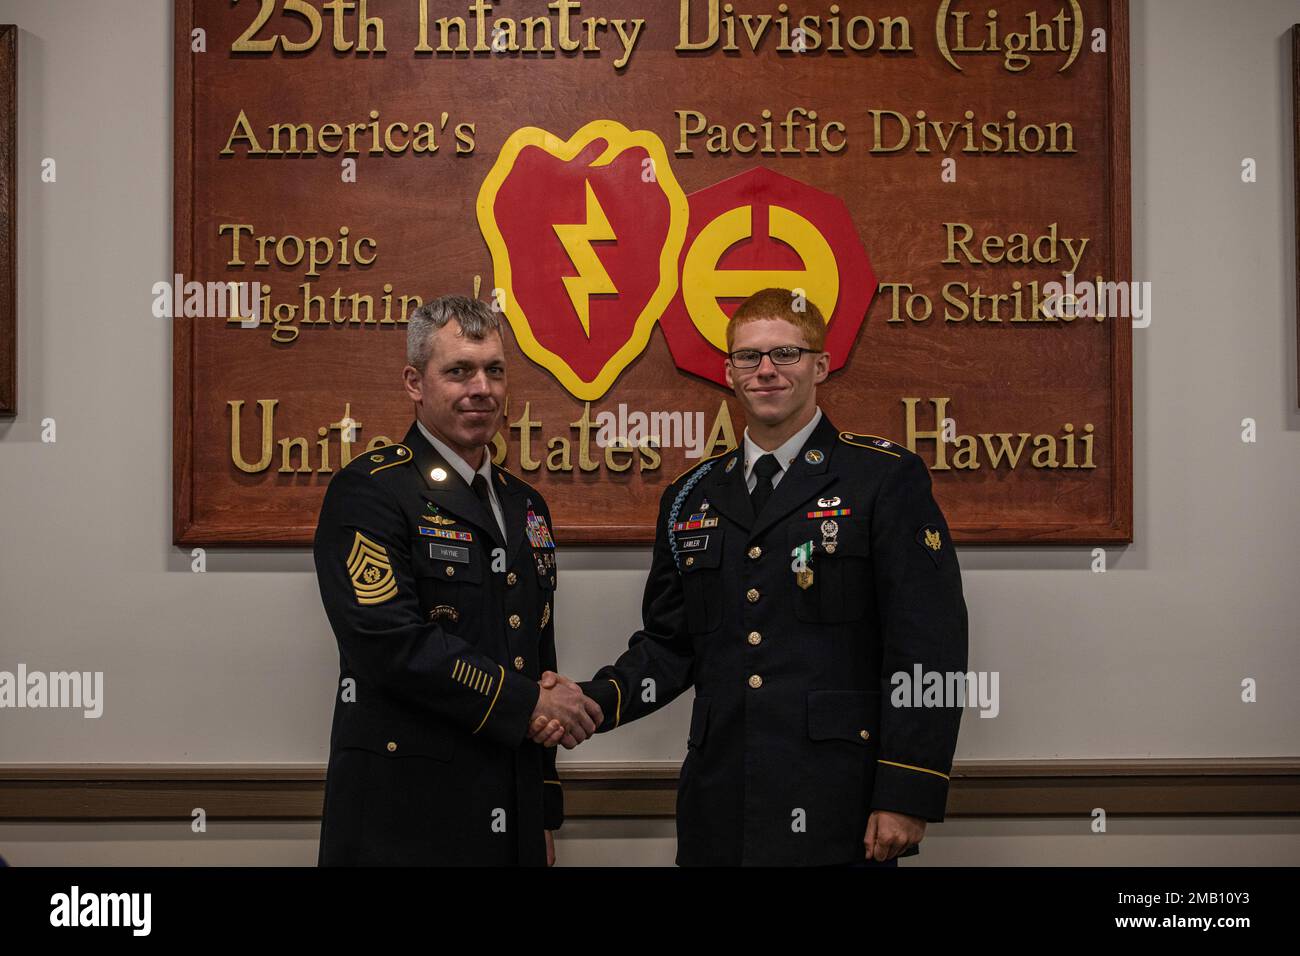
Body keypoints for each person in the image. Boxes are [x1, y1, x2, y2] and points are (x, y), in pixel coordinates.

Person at [532, 287, 969, 866]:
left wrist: (907, 790)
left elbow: (929, 647)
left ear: (821, 365)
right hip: (721, 798)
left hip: (840, 796)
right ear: (729, 372)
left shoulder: (882, 480)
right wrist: (592, 701)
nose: (766, 370)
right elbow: (670, 646)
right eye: (749, 357)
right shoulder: (689, 496)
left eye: (785, 354)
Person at [314, 295, 601, 866]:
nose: (482, 388)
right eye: (459, 371)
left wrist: (543, 810)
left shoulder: (526, 505)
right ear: (414, 383)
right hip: (405, 814)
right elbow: (387, 642)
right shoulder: (371, 491)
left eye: (494, 370)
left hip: (510, 804)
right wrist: (528, 702)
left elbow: (535, 651)